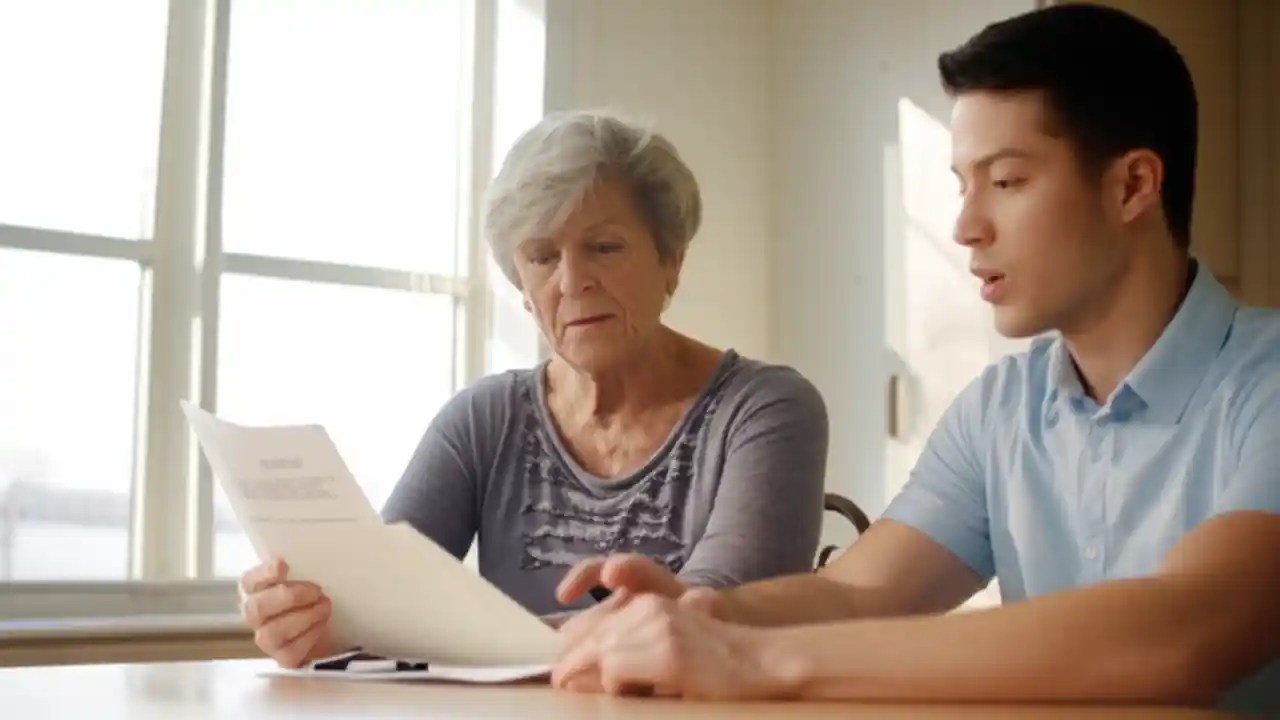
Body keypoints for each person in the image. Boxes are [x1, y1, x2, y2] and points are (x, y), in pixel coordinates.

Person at [551, 5, 1280, 712]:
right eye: (963, 184)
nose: (965, 226)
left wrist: (757, 660)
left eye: (1006, 181)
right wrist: (707, 614)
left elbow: (1183, 632)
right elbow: (853, 593)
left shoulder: (1265, 382)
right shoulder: (1001, 407)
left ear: (1132, 186)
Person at [235, 111, 829, 668]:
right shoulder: (482, 420)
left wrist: (457, 637)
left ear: (671, 259)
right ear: (522, 287)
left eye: (604, 248)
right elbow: (384, 607)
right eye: (542, 258)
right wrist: (313, 618)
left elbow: (716, 617)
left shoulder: (765, 409)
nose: (572, 282)